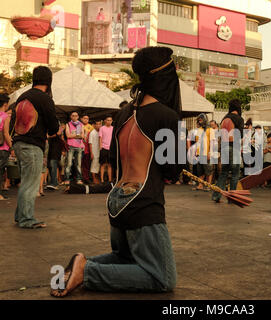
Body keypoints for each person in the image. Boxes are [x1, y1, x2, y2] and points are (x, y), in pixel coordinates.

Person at [51, 46, 183, 297]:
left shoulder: (123, 113)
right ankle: (86, 270)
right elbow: (172, 171)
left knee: (125, 258)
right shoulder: (167, 116)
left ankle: (65, 272)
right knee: (162, 278)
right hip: (143, 203)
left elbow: (113, 157)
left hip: (117, 200)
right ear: (164, 76)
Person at [10, 66, 59, 229]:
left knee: (26, 181)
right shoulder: (44, 99)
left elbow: (13, 122)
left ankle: (20, 215)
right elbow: (53, 125)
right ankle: (26, 218)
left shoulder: (23, 96)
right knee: (31, 183)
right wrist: (54, 129)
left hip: (18, 142)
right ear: (49, 81)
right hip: (32, 144)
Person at [212, 99, 244, 203]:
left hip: (224, 147)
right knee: (235, 174)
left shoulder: (224, 119)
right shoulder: (239, 119)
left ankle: (216, 196)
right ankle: (232, 198)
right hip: (233, 147)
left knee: (223, 173)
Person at [193, 113, 212, 191]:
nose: (199, 121)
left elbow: (212, 142)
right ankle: (200, 185)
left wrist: (209, 153)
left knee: (208, 170)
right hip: (199, 153)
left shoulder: (210, 130)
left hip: (206, 153)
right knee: (200, 170)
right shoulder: (198, 130)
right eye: (199, 120)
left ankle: (209, 185)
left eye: (200, 119)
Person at [65, 112, 84, 185]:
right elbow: (68, 136)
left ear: (78, 117)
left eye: (76, 116)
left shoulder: (81, 124)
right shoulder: (68, 124)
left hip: (79, 146)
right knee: (69, 164)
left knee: (78, 164)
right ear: (71, 116)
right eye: (73, 116)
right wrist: (77, 135)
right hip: (71, 146)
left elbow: (82, 136)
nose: (74, 117)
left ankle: (79, 179)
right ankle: (67, 179)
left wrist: (73, 135)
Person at [46, 124, 65, 190]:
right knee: (49, 165)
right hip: (49, 147)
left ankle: (54, 183)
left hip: (56, 148)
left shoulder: (57, 125)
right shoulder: (48, 126)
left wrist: (48, 136)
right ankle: (53, 182)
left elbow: (59, 133)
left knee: (53, 164)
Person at [99, 116, 113, 183]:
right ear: (105, 121)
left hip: (110, 148)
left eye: (110, 120)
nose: (109, 121)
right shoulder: (102, 128)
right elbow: (100, 137)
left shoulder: (113, 128)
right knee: (103, 165)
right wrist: (100, 146)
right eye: (108, 120)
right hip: (104, 147)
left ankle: (110, 180)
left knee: (110, 165)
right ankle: (102, 180)